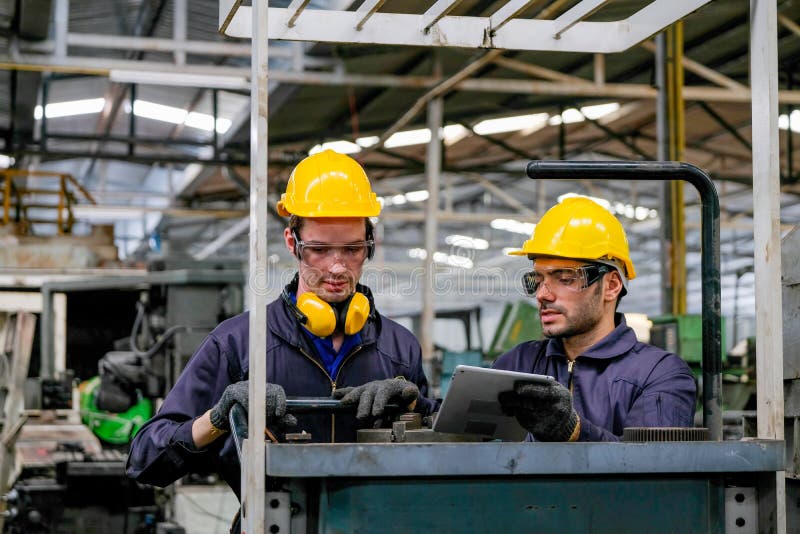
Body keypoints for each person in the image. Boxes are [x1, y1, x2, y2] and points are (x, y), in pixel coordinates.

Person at [126, 150, 436, 509]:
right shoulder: (239, 344)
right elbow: (144, 460)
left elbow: (450, 447)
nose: (337, 267)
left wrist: (415, 404)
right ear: (292, 243)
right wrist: (218, 418)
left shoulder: (399, 349)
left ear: (370, 245)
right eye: (319, 250)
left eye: (352, 249)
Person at [493, 196, 696, 442]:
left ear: (611, 286)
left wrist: (574, 431)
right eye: (538, 279)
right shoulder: (515, 364)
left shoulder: (659, 374)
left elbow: (653, 470)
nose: (543, 294)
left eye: (565, 277)